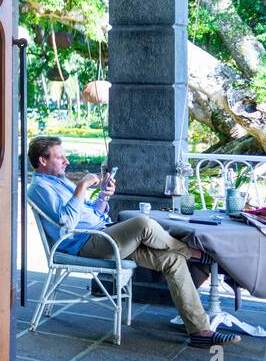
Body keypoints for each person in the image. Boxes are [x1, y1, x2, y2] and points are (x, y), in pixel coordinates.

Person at [27, 136, 239, 348]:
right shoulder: (39, 188)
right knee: (142, 223)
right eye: (60, 157)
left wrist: (103, 197)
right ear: (42, 161)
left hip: (103, 235)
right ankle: (196, 253)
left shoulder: (60, 181)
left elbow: (91, 213)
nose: (67, 161)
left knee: (173, 261)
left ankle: (200, 331)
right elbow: (67, 224)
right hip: (84, 245)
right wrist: (82, 186)